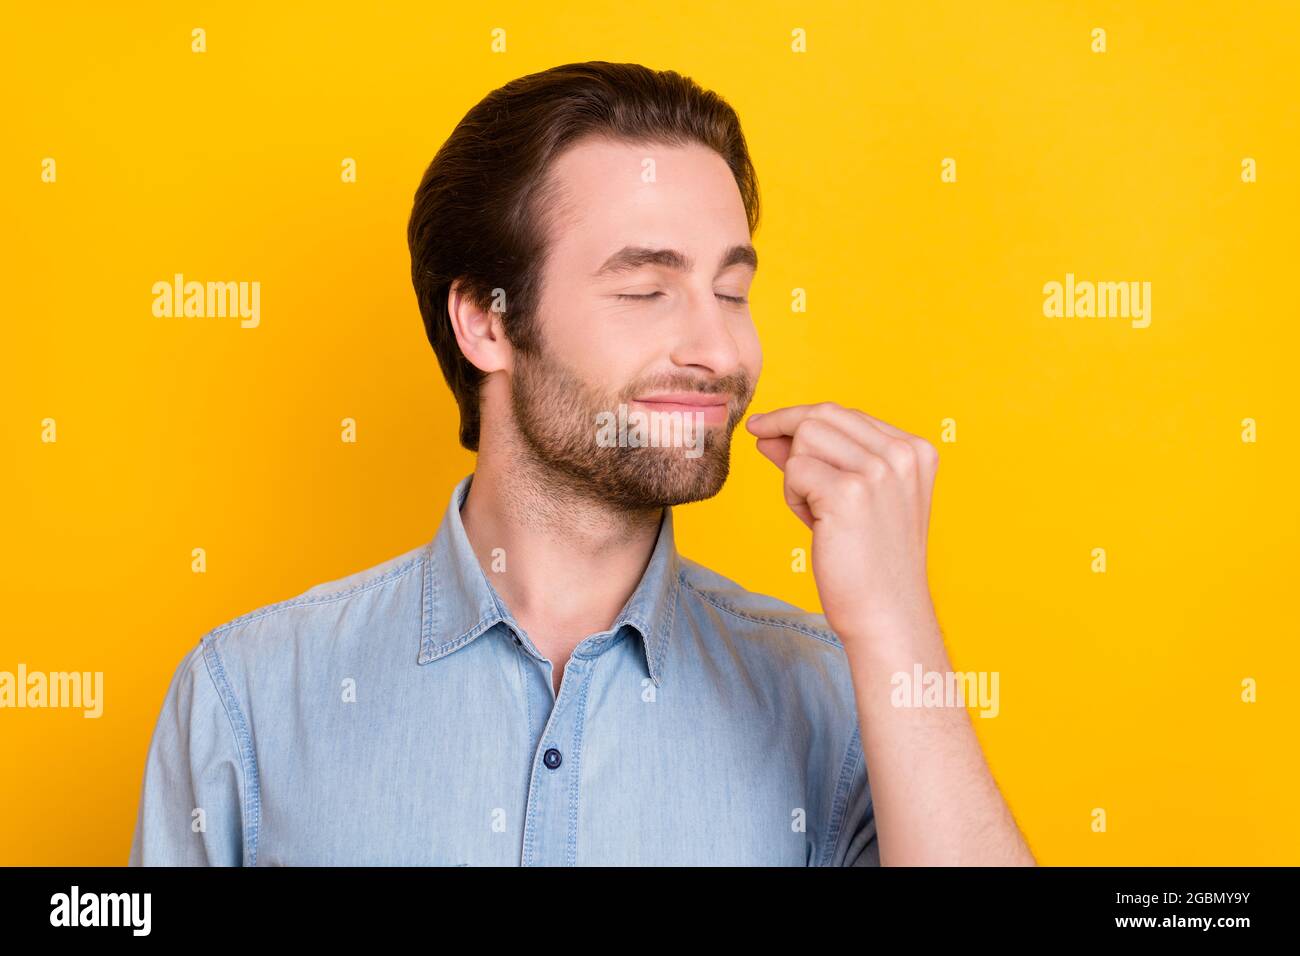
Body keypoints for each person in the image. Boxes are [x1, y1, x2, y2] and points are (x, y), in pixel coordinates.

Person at [129, 61, 1034, 866]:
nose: (720, 349)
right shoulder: (246, 698)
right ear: (486, 321)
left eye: (733, 291)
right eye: (646, 289)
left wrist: (898, 629)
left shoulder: (839, 697)